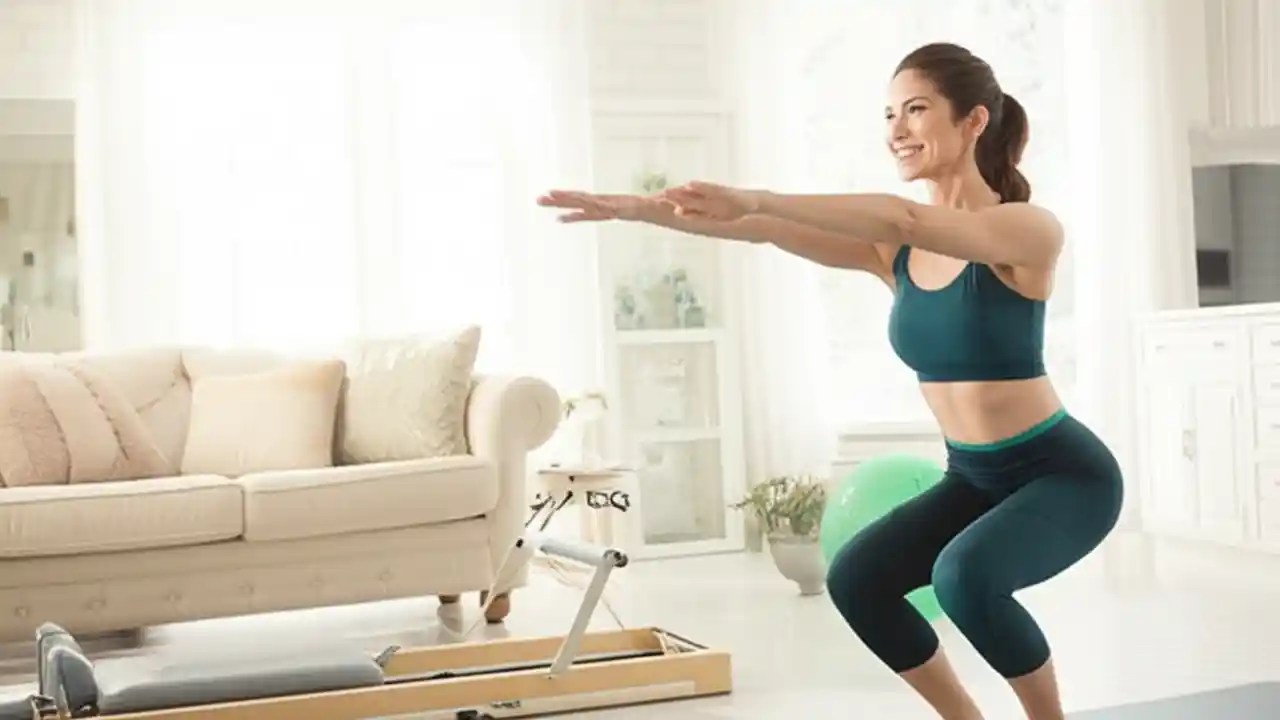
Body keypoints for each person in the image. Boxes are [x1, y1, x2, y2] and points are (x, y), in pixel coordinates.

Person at [537, 41, 1122, 720]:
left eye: (916, 109)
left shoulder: (1026, 230)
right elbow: (763, 230)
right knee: (859, 578)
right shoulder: (896, 252)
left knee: (966, 578)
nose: (896, 129)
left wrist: (756, 193)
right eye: (888, 114)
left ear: (974, 122)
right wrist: (639, 211)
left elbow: (898, 214)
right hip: (974, 477)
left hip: (1060, 475)